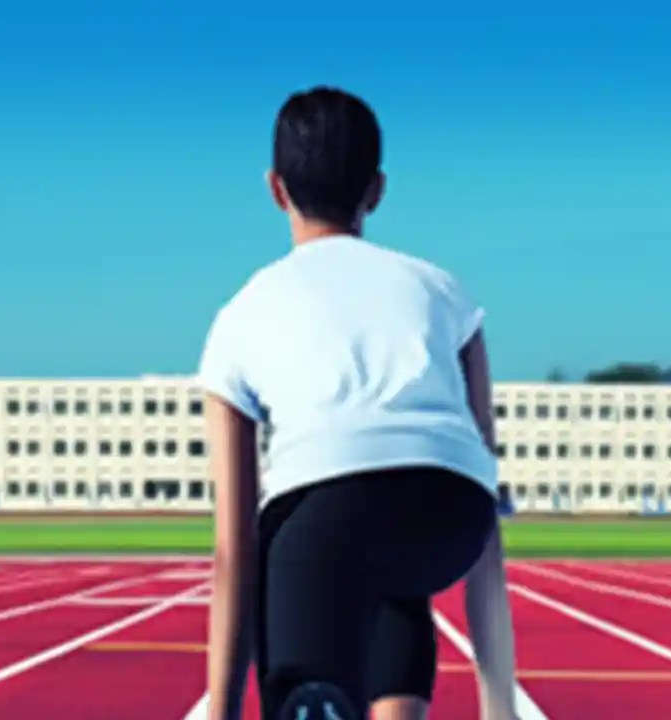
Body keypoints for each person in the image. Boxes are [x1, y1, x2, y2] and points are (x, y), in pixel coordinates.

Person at [199, 86, 518, 720]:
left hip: (323, 521)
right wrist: (499, 703)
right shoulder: (445, 290)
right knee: (393, 576)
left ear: (275, 188)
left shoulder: (241, 314)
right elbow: (481, 478)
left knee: (322, 549)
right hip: (448, 517)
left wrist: (224, 711)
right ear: (376, 189)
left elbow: (234, 549)